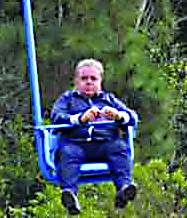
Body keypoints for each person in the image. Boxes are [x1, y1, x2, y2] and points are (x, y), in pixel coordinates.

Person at [50, 59, 138, 215]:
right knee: (67, 153)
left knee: (119, 148)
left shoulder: (108, 99)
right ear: (76, 81)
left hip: (105, 144)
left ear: (100, 81)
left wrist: (119, 116)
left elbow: (133, 117)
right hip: (77, 144)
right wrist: (80, 118)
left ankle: (124, 189)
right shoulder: (68, 99)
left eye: (93, 78)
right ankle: (70, 195)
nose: (88, 82)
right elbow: (56, 117)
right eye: (84, 78)